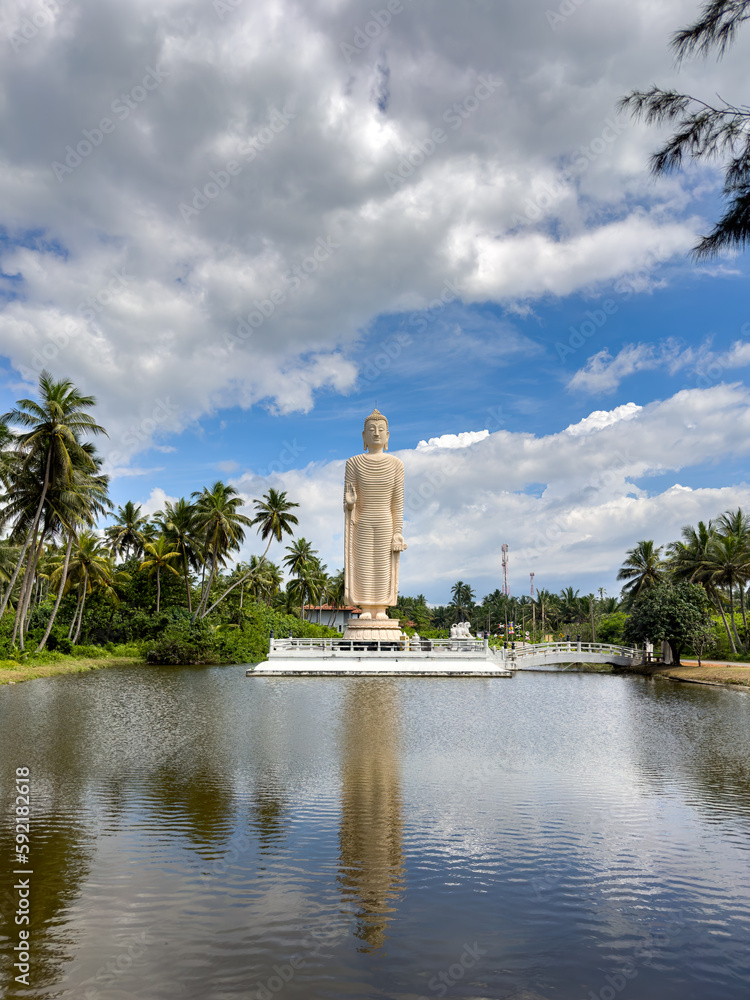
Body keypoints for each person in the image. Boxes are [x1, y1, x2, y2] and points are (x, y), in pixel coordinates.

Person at [344, 409, 407, 620]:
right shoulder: (353, 463)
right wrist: (350, 504)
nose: (376, 434)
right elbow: (348, 499)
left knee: (382, 565)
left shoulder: (396, 464)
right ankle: (366, 608)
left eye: (381, 430)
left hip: (385, 521)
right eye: (371, 430)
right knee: (363, 565)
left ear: (388, 435)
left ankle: (380, 607)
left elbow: (397, 503)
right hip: (362, 521)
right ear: (364, 436)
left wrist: (397, 532)